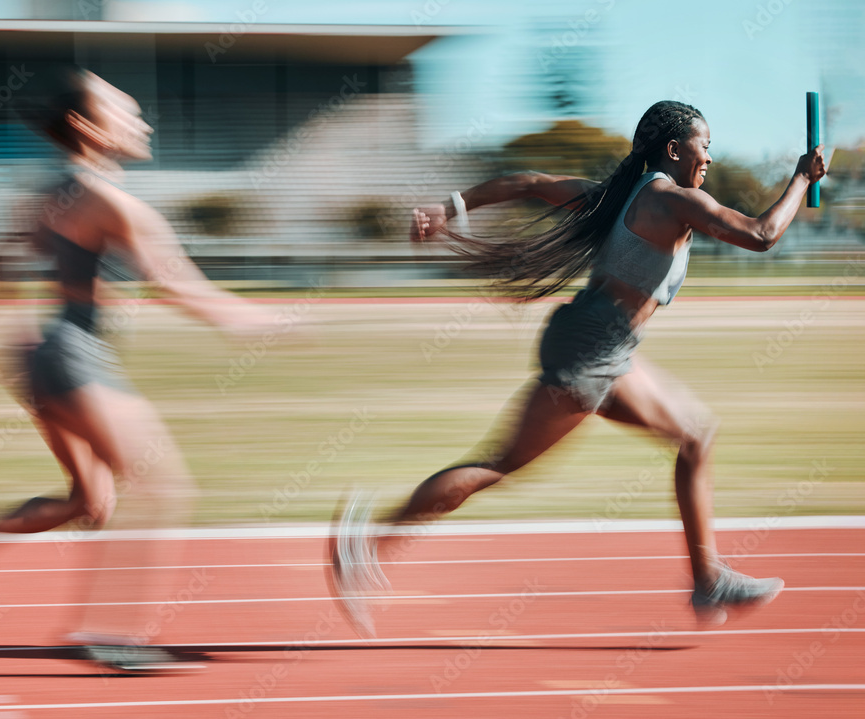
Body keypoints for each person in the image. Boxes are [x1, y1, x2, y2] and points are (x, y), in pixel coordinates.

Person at [331, 100, 828, 637]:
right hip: (592, 355)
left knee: (695, 436)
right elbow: (760, 234)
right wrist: (802, 176)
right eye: (704, 144)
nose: (710, 154)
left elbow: (528, 183)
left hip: (604, 350)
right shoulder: (674, 201)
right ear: (674, 149)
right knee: (498, 464)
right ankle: (367, 540)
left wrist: (449, 207)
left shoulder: (619, 196)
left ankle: (707, 580)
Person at [0, 67, 275, 669]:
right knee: (163, 486)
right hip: (74, 358)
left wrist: (0, 339)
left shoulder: (53, 191)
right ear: (88, 128)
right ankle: (111, 635)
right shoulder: (114, 203)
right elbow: (182, 290)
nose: (141, 122)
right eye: (126, 112)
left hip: (42, 357)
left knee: (90, 500)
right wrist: (264, 322)